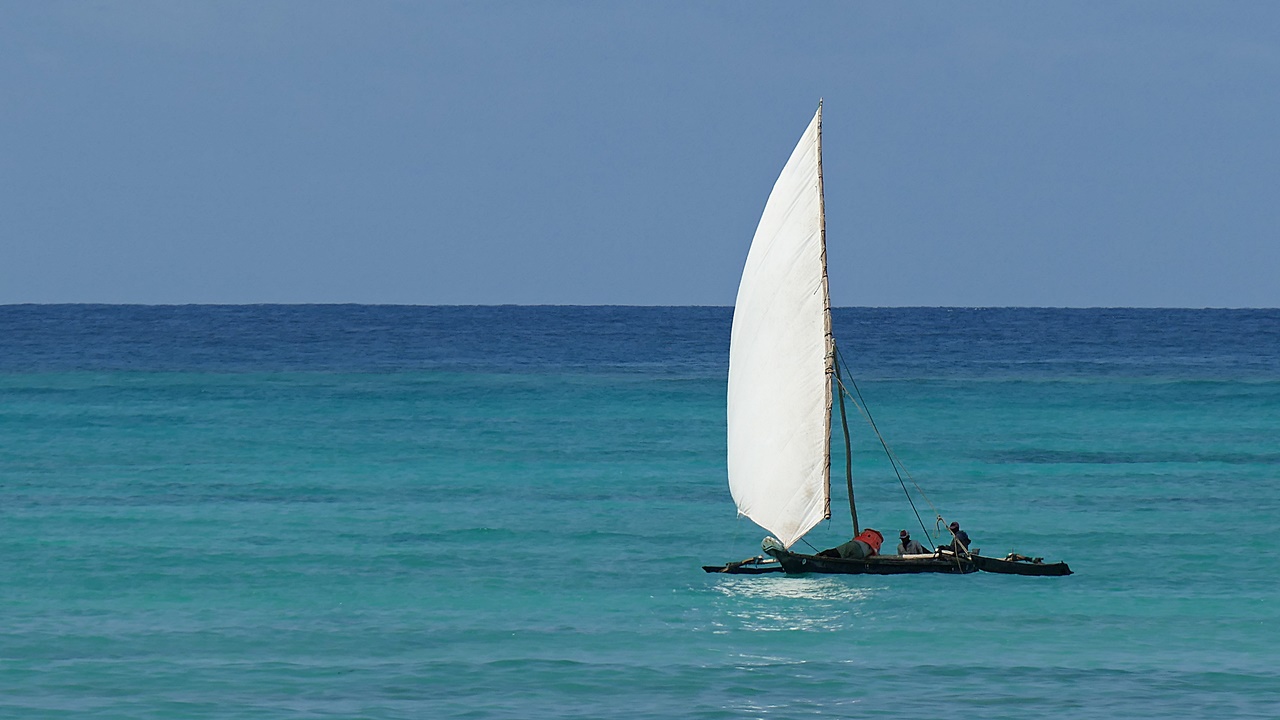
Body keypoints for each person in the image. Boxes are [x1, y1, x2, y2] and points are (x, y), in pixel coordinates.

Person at [818, 528, 884, 560]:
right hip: (860, 555)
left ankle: (819, 556)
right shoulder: (878, 543)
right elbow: (876, 554)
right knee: (843, 560)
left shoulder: (867, 532)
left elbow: (855, 538)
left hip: (854, 545)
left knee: (835, 552)